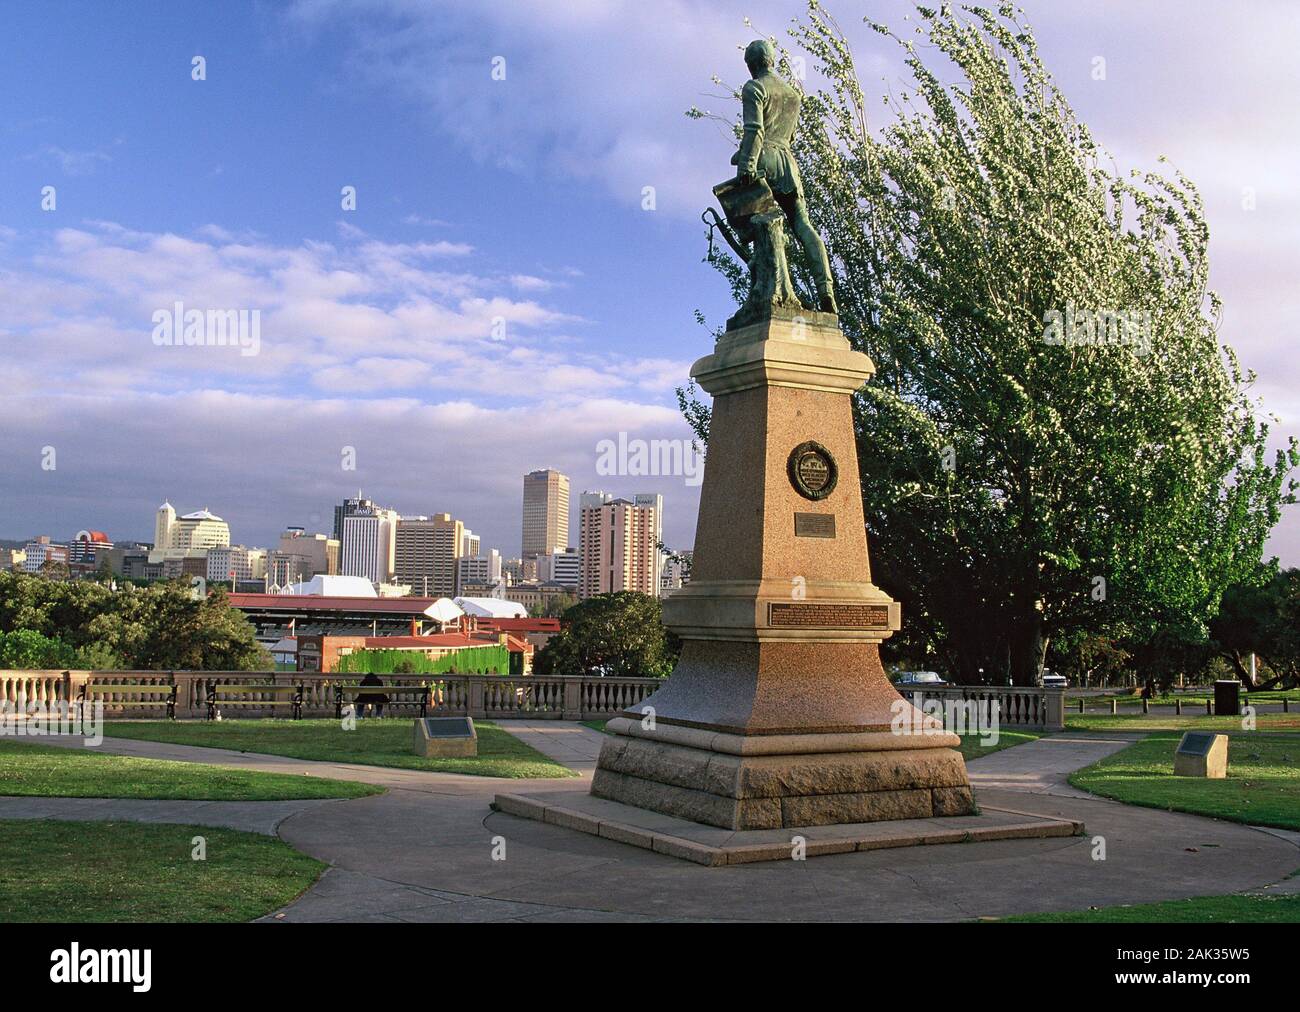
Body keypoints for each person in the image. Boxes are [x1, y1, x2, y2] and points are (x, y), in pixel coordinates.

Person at [731, 39, 837, 314]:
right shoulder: (792, 94)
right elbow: (787, 135)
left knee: (760, 227)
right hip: (788, 164)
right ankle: (826, 289)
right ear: (771, 61)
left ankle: (769, 291)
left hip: (764, 160)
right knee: (803, 225)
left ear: (751, 64)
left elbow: (755, 130)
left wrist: (746, 165)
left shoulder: (754, 87)